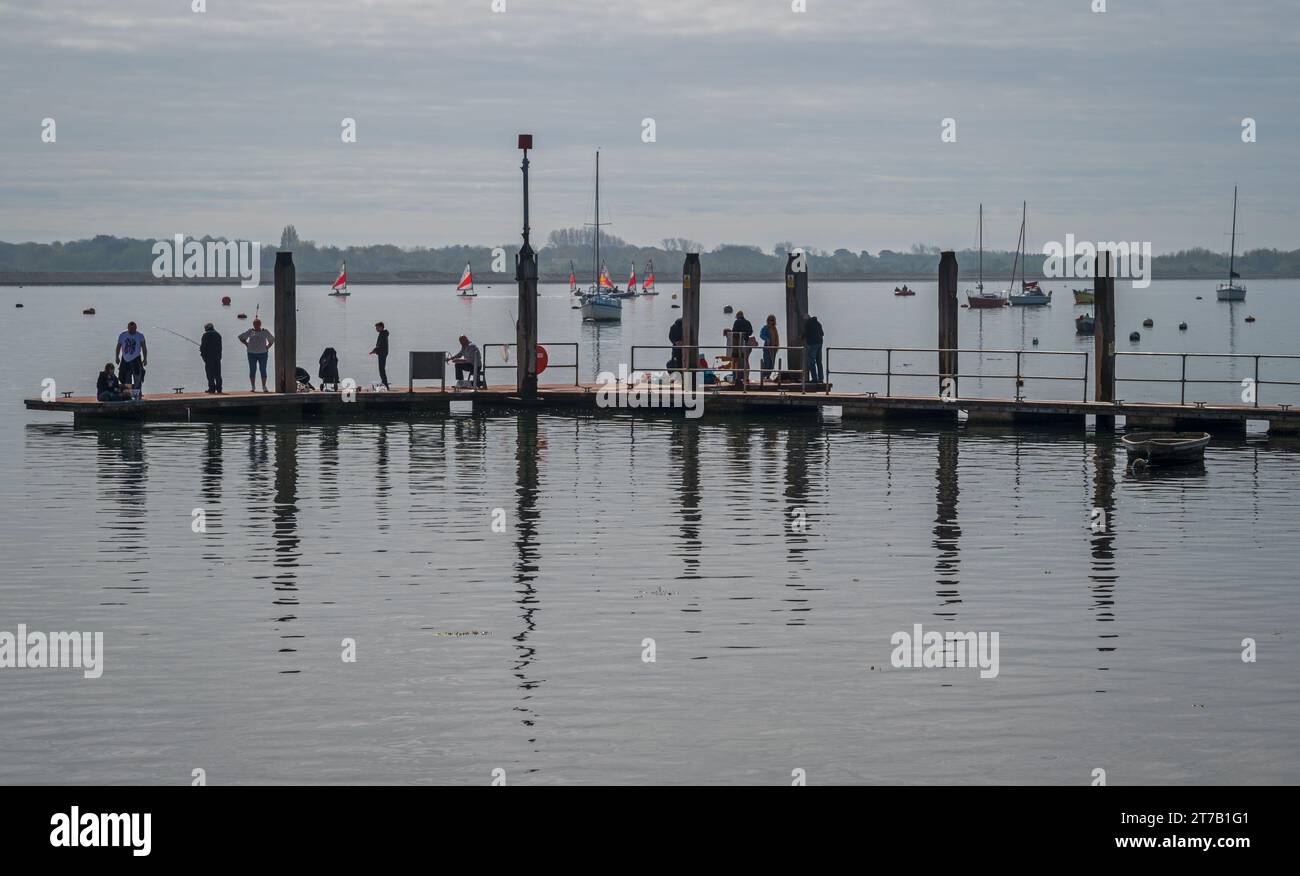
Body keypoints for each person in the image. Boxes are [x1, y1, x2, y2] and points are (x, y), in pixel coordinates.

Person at [237, 318, 275, 392]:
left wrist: (268, 346)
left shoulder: (265, 331)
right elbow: (241, 337)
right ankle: (253, 387)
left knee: (263, 369)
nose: (256, 325)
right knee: (252, 369)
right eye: (255, 324)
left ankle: (264, 386)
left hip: (263, 353)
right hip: (251, 353)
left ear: (260, 324)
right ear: (253, 325)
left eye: (257, 324)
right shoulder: (250, 331)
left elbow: (272, 340)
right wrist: (246, 344)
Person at [114, 321, 147, 398]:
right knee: (126, 378)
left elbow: (144, 348)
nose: (132, 330)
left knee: (137, 378)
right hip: (125, 360)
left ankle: (137, 395)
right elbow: (118, 346)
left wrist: (145, 359)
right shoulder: (123, 335)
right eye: (131, 329)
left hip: (136, 359)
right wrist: (117, 357)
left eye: (134, 329)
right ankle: (128, 396)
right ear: (128, 328)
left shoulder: (140, 336)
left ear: (136, 328)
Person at [730, 309, 754, 387]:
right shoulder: (748, 322)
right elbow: (750, 332)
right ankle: (746, 378)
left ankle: (736, 378)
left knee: (737, 361)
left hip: (739, 344)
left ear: (737, 316)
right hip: (746, 343)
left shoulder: (737, 322)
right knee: (746, 360)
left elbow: (734, 332)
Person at [199, 322, 223, 394]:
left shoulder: (205, 335)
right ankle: (219, 389)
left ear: (206, 328)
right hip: (217, 357)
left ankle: (211, 388)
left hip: (209, 357)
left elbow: (203, 347)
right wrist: (220, 356)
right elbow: (220, 347)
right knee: (218, 374)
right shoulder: (218, 335)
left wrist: (202, 355)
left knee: (210, 374)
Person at [759, 314, 780, 382]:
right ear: (768, 321)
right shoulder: (765, 327)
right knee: (767, 363)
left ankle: (768, 377)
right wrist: (767, 339)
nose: (772, 321)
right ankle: (764, 376)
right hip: (767, 348)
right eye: (770, 320)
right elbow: (761, 335)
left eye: (773, 320)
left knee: (772, 363)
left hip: (773, 348)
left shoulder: (774, 328)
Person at [805, 314, 825, 384]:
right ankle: (821, 379)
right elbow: (822, 333)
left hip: (813, 344)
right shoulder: (818, 323)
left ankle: (814, 379)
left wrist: (801, 337)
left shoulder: (808, 323)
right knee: (819, 362)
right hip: (820, 343)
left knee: (811, 362)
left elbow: (805, 334)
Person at [370, 322, 390, 389]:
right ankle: (384, 383)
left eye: (377, 327)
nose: (376, 329)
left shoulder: (383, 334)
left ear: (381, 327)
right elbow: (380, 345)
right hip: (383, 353)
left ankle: (385, 384)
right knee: (382, 369)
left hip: (382, 353)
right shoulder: (383, 334)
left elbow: (380, 345)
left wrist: (374, 350)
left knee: (381, 369)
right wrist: (376, 350)